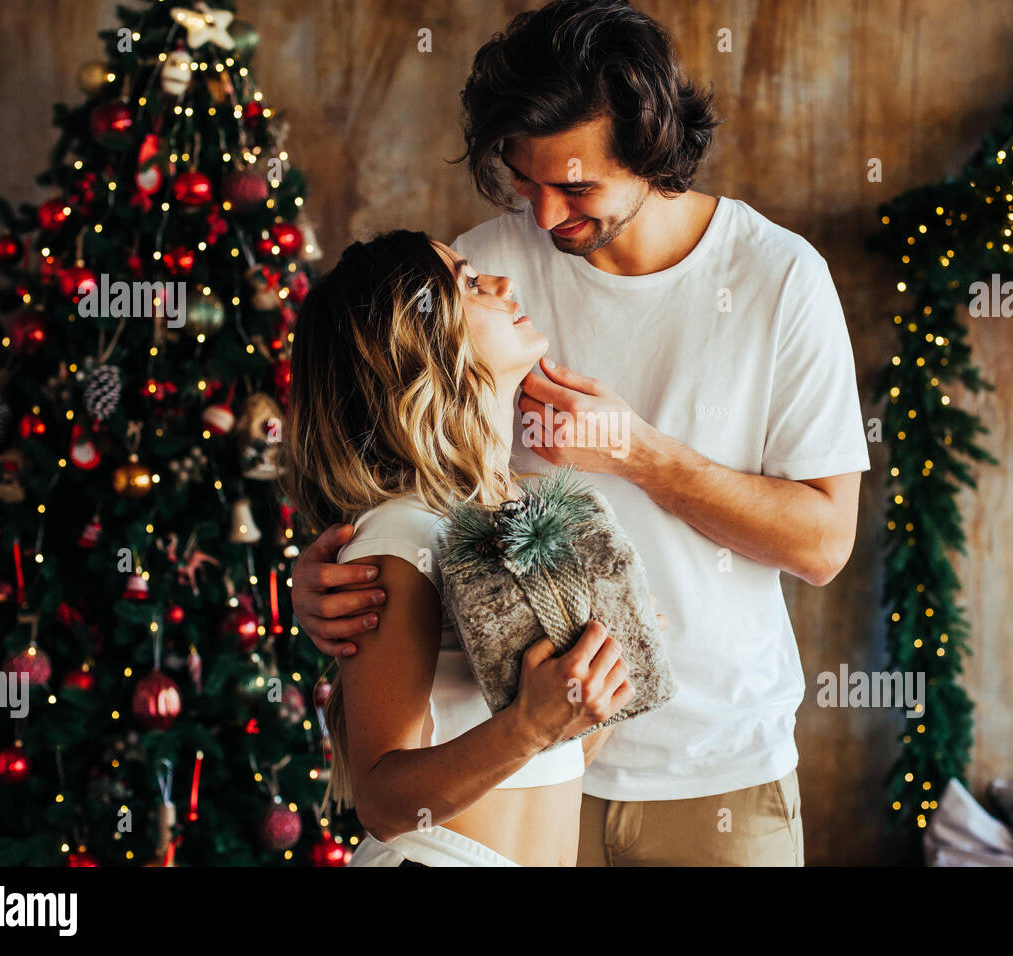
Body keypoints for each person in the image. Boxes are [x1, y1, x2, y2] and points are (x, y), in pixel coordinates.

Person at [291, 0, 870, 866]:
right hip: (506, 788)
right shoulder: (483, 276)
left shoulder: (778, 279)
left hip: (712, 772)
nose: (548, 217)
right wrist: (328, 578)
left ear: (654, 151)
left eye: (576, 187)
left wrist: (635, 453)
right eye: (526, 184)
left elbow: (823, 544)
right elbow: (399, 468)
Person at [282, 229, 639, 866]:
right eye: (470, 284)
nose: (502, 286)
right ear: (421, 343)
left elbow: (551, 754)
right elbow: (382, 804)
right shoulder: (401, 535)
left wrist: (595, 689)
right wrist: (528, 725)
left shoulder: (531, 517)